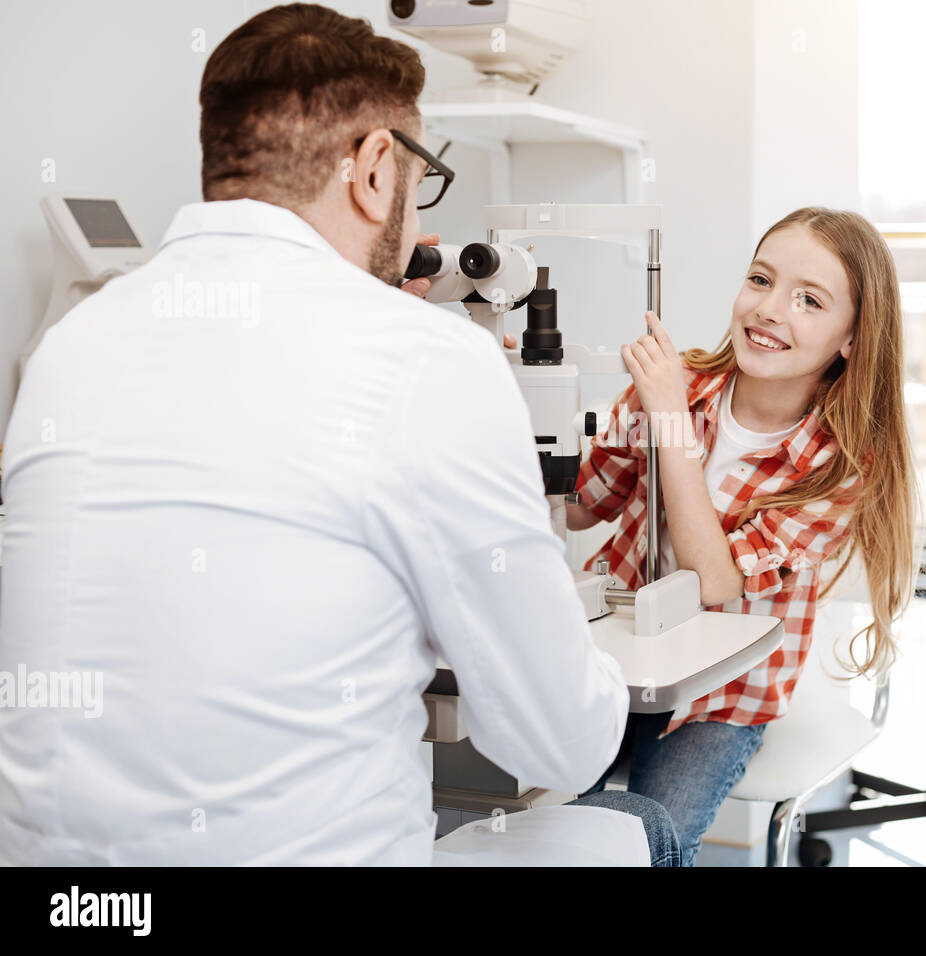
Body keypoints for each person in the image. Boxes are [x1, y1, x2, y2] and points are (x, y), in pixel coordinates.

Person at [0, 2, 677, 866]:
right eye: (419, 175)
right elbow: (561, 745)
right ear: (372, 167)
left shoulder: (72, 345)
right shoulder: (428, 361)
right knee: (633, 830)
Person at [571, 206, 922, 865]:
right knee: (539, 804)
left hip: (723, 696)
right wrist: (528, 410)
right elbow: (584, 509)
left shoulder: (840, 464)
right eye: (760, 280)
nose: (770, 309)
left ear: (851, 338)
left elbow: (715, 580)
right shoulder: (678, 386)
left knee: (655, 833)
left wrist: (669, 421)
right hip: (616, 657)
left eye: (809, 300)